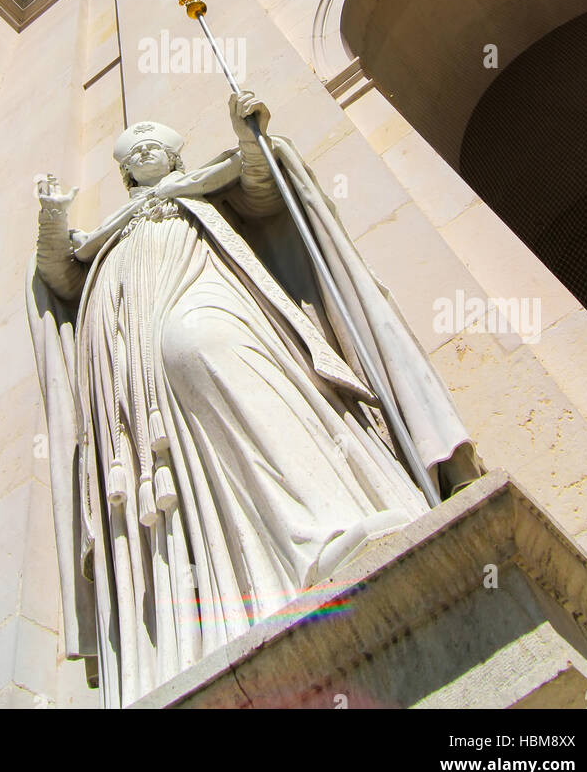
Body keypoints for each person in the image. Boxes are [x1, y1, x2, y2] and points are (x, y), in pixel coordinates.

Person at [26, 90, 479, 708]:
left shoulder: (199, 195)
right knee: (176, 476)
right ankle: (218, 613)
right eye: (138, 152)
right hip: (130, 373)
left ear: (175, 159)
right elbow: (60, 275)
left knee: (227, 362)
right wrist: (53, 218)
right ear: (127, 171)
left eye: (159, 145)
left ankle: (322, 526)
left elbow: (262, 190)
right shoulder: (107, 234)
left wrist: (246, 135)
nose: (150, 152)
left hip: (207, 303)